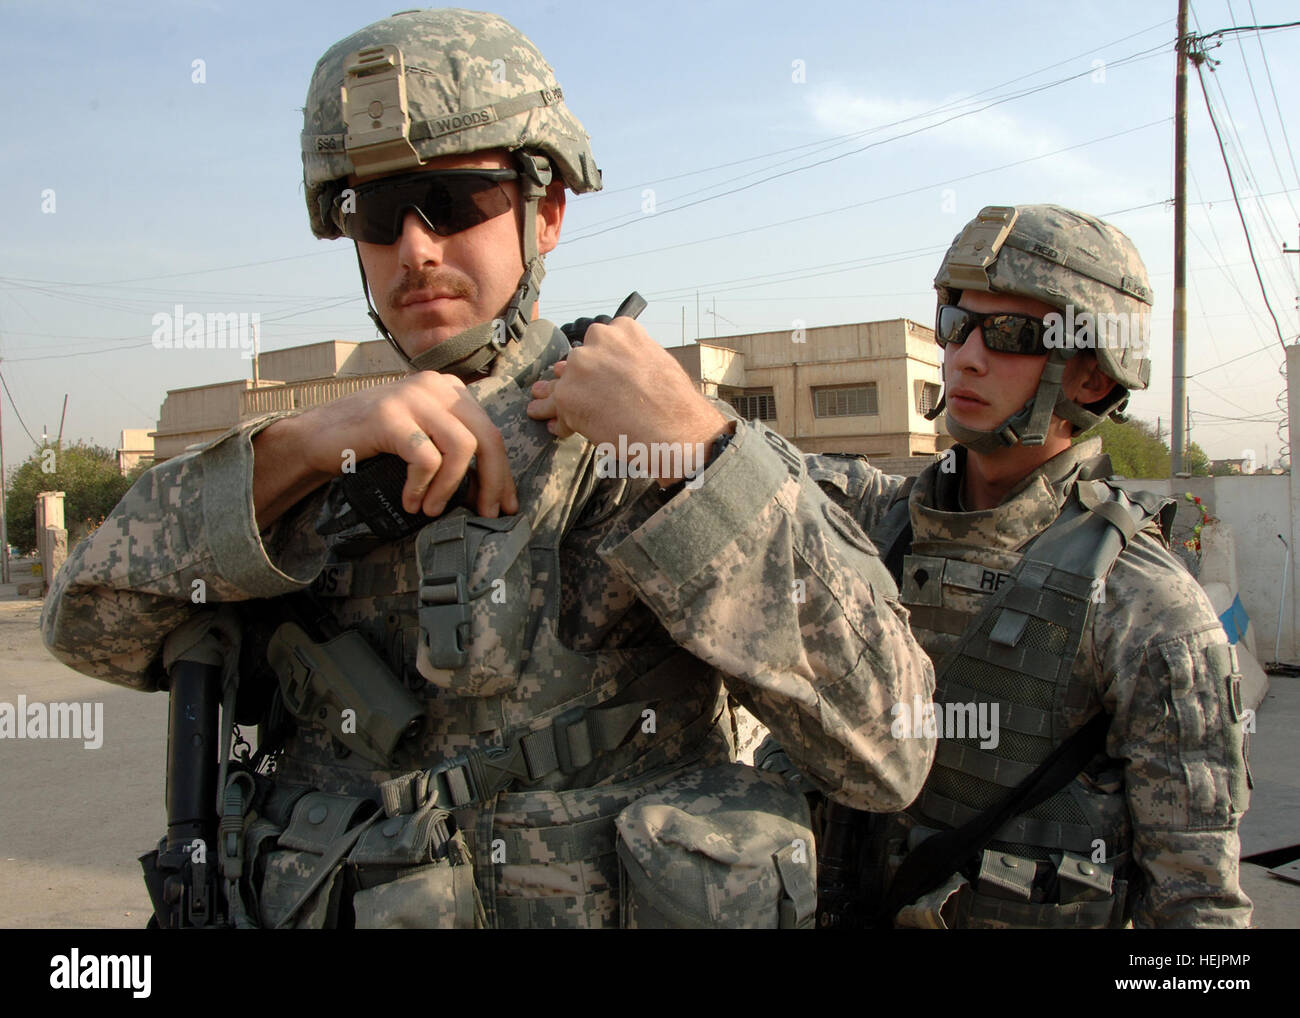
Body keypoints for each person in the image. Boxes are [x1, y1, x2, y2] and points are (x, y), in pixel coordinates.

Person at [40, 8, 934, 929]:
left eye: (455, 202)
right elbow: (88, 625)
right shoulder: (318, 469)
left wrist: (702, 452)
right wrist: (293, 452)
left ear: (544, 211)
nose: (416, 249)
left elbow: (883, 748)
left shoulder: (645, 458)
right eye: (377, 214)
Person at [802, 204, 1253, 929]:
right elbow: (740, 464)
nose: (966, 356)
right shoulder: (877, 523)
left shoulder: (1148, 611)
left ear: (1092, 379)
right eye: (958, 327)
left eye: (1010, 335)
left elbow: (1200, 914)